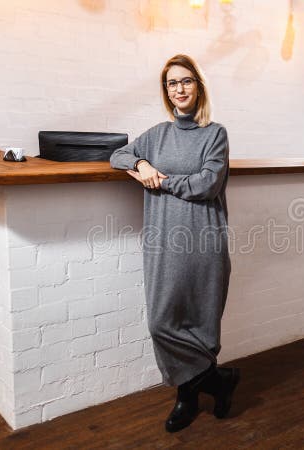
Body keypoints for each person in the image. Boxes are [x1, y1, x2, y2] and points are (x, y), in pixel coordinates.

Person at [109, 54, 239, 433]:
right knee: (162, 322)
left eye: (186, 81)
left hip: (203, 241)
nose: (179, 89)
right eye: (172, 83)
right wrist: (142, 167)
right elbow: (118, 154)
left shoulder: (215, 134)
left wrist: (162, 181)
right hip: (163, 242)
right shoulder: (156, 134)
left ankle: (187, 397)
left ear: (198, 86)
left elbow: (207, 183)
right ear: (166, 91)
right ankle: (217, 381)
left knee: (200, 322)